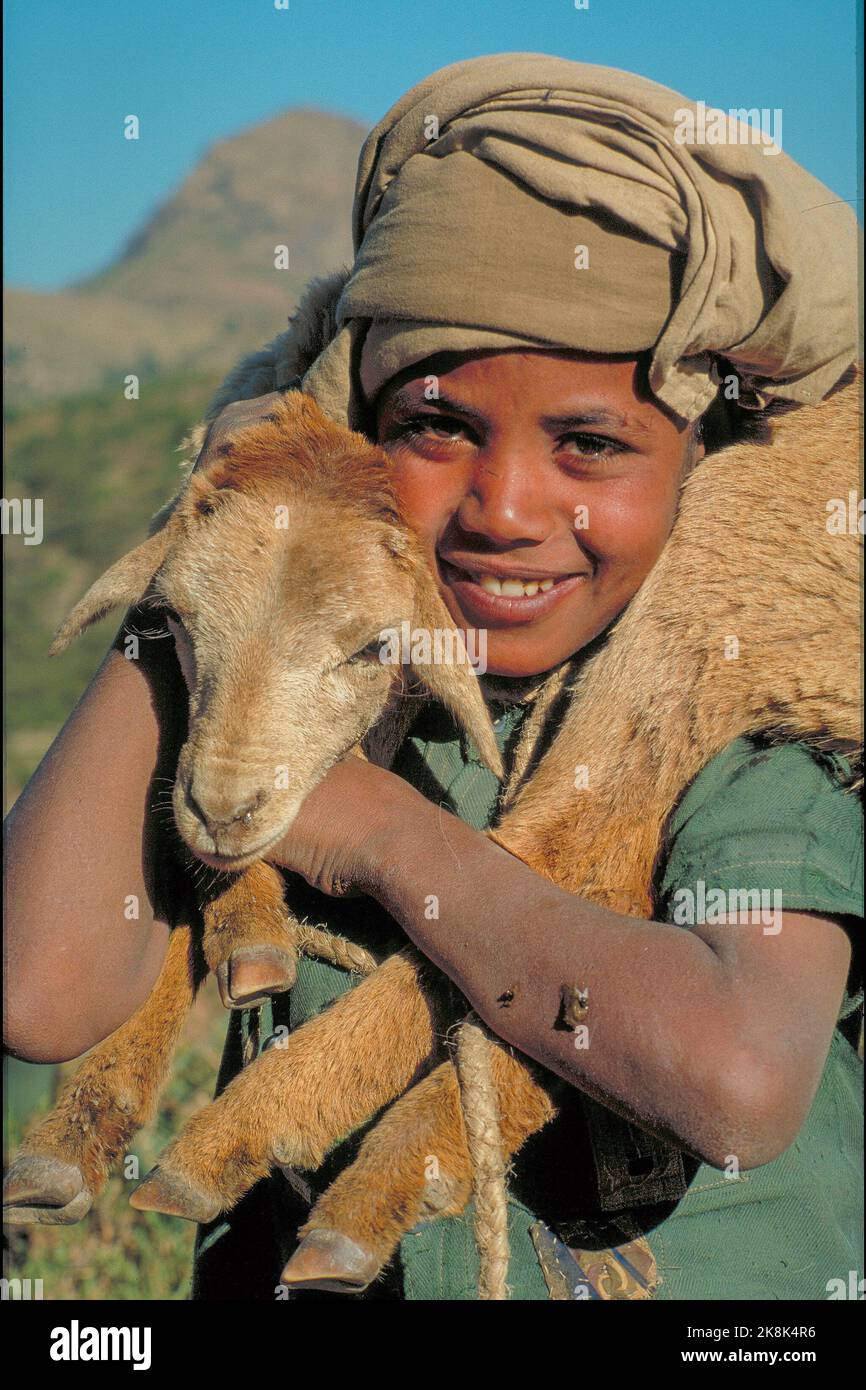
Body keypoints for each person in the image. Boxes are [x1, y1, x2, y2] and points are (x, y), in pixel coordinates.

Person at [5, 55, 861, 1301]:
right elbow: (38, 987)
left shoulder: (752, 727)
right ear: (352, 432)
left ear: (705, 460)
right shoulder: (320, 677)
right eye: (434, 425)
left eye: (588, 444)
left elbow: (733, 1080)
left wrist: (387, 839)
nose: (503, 509)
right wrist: (219, 548)